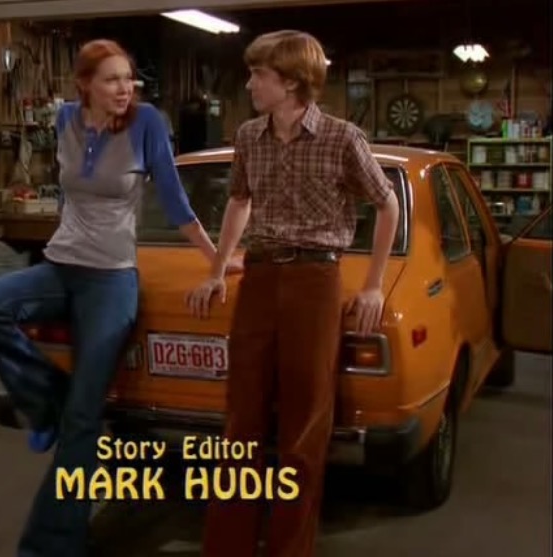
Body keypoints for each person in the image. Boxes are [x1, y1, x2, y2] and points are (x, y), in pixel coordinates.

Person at [0, 39, 232, 557]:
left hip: (111, 279)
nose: (124, 88)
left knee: (83, 422)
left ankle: (49, 546)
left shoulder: (147, 122)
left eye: (128, 78)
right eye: (111, 79)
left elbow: (174, 199)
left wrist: (218, 261)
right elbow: (71, 194)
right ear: (84, 85)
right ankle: (47, 402)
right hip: (61, 264)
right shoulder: (65, 119)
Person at [186, 30, 400, 557]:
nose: (249, 84)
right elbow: (239, 201)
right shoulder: (249, 136)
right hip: (260, 277)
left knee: (304, 425)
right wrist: (217, 270)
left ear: (291, 82)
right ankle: (228, 547)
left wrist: (373, 285)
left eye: (258, 75)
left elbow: (387, 205)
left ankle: (289, 549)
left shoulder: (342, 138)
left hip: (315, 279)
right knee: (242, 418)